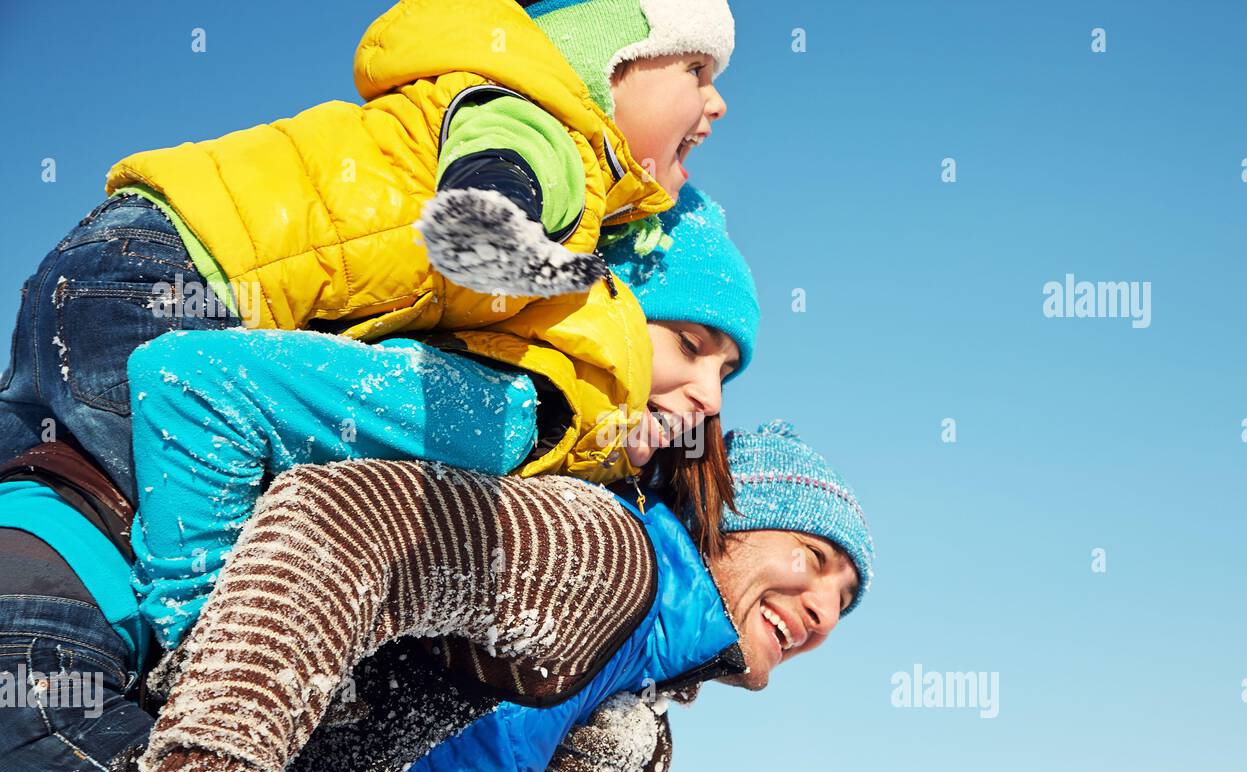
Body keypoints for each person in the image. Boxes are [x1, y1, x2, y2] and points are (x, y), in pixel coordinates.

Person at [0, 187, 759, 772]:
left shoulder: (550, 474)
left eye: (726, 374)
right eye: (689, 346)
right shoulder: (496, 414)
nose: (707, 398)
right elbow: (308, 499)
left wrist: (636, 732)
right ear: (598, 310)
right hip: (70, 623)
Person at [0, 0, 733, 507]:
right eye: (696, 72)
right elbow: (474, 228)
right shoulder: (541, 128)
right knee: (185, 511)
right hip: (179, 280)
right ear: (603, 67)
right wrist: (550, 266)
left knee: (40, 486)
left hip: (116, 258)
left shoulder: (488, 112)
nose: (717, 101)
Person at [84, 421, 872, 772]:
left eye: (843, 601)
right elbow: (344, 519)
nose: (826, 614)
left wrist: (623, 744)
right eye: (814, 559)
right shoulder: (609, 558)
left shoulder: (648, 651)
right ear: (726, 518)